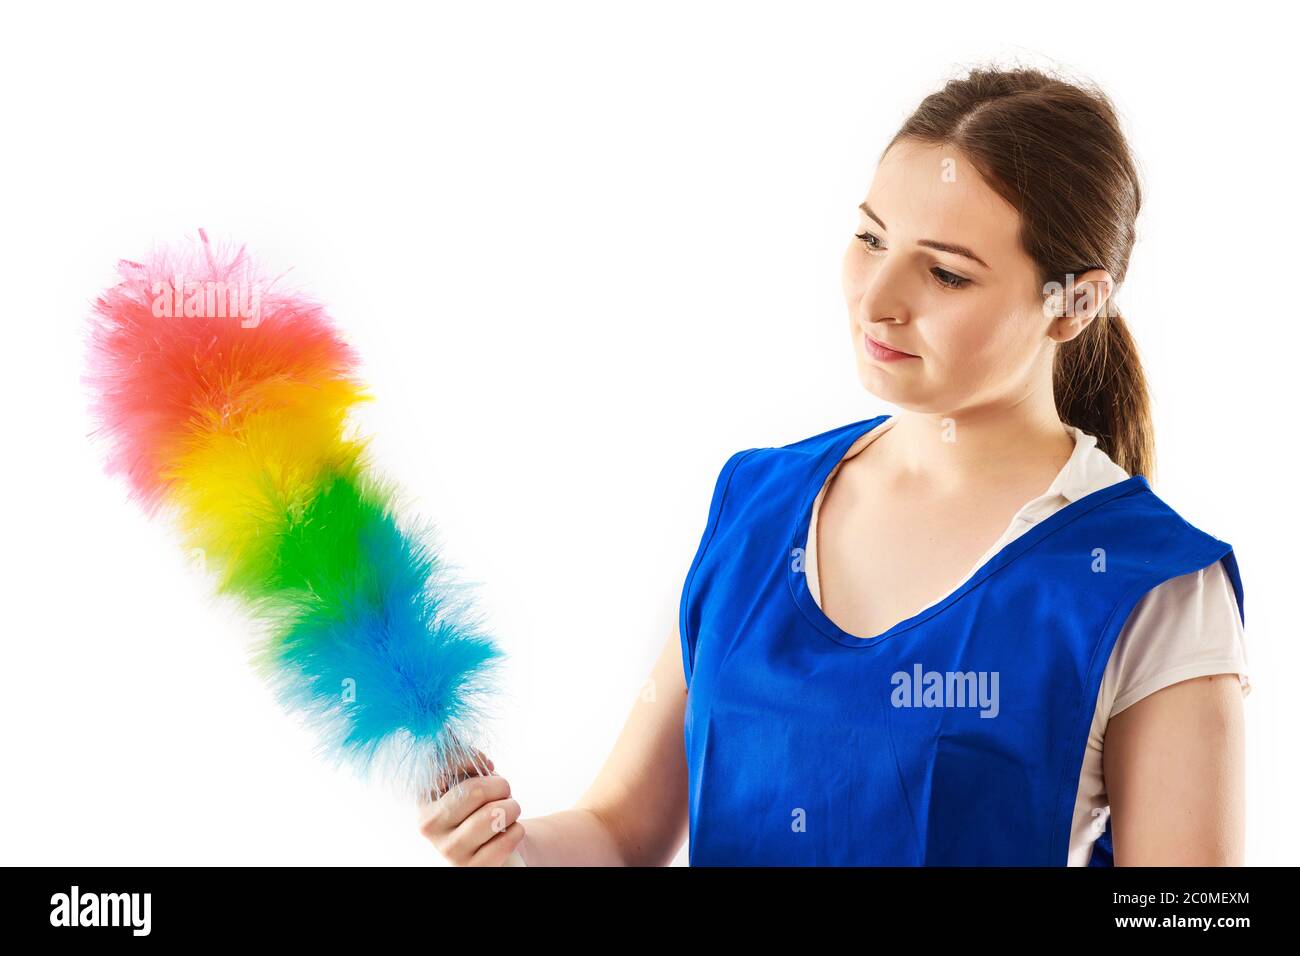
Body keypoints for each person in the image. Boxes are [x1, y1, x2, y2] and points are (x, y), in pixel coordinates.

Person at [417, 64, 1248, 866]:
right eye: (870, 237)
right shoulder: (756, 505)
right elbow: (619, 833)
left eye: (947, 273)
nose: (877, 297)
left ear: (1074, 303)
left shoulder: (1153, 584)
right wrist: (512, 852)